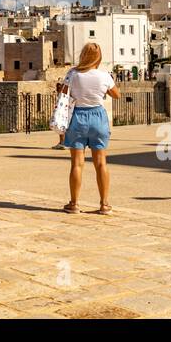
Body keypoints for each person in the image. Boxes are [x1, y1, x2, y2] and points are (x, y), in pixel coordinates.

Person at [60, 42, 120, 215]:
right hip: (98, 117)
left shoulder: (73, 73)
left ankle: (74, 204)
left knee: (77, 163)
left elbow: (64, 93)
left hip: (78, 117)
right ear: (98, 57)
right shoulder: (104, 75)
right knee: (101, 163)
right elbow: (116, 94)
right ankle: (104, 204)